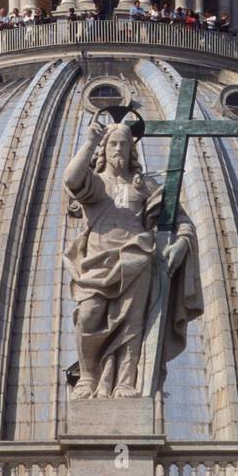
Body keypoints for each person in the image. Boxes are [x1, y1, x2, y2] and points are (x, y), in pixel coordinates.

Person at [63, 118, 203, 399]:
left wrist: (182, 244)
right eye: (113, 143)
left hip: (138, 260)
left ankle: (126, 380)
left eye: (124, 144)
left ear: (132, 150)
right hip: (97, 263)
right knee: (88, 318)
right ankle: (89, 377)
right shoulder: (97, 184)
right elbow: (71, 179)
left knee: (133, 324)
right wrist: (89, 142)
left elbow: (182, 221)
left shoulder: (144, 186)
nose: (118, 149)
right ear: (105, 149)